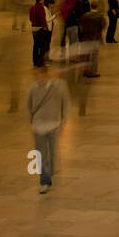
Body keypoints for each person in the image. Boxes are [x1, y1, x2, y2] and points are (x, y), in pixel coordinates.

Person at [27, 61, 69, 194]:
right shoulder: (33, 88)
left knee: (53, 152)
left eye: (40, 75)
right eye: (36, 76)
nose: (38, 78)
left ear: (45, 75)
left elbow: (65, 103)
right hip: (38, 126)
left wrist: (63, 120)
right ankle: (44, 180)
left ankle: (50, 170)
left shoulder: (58, 87)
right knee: (41, 154)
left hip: (53, 125)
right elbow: (28, 105)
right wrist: (30, 120)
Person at [77, 0, 105, 77]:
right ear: (97, 7)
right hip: (96, 38)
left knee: (86, 56)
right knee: (94, 57)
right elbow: (103, 25)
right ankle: (92, 73)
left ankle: (85, 71)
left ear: (90, 7)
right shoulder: (99, 16)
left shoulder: (85, 16)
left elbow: (81, 26)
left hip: (86, 38)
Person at [29, 0, 51, 66]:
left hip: (33, 28)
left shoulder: (32, 7)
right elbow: (42, 18)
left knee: (35, 46)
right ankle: (41, 62)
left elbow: (30, 19)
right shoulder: (41, 7)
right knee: (42, 46)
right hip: (40, 28)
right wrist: (45, 27)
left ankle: (35, 61)